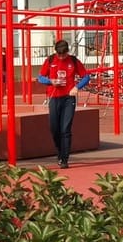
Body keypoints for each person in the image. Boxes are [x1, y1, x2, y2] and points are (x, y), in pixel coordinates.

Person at [37, 39, 90, 168]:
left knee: (65, 129)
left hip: (68, 98)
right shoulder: (50, 61)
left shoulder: (73, 61)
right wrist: (51, 81)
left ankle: (65, 159)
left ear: (67, 52)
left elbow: (86, 76)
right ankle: (60, 152)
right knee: (54, 128)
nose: (61, 57)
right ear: (56, 52)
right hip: (54, 97)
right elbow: (40, 77)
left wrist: (77, 87)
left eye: (64, 54)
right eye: (59, 54)